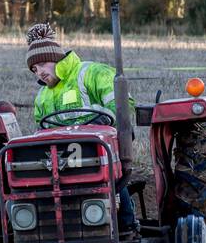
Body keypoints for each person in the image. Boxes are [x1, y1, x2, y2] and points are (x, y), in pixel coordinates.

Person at [25, 22, 139, 231]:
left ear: (56, 57)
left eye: (42, 64)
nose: (39, 72)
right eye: (34, 69)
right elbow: (40, 131)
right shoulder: (42, 96)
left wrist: (105, 118)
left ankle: (127, 228)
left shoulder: (90, 73)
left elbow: (123, 103)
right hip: (60, 162)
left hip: (97, 154)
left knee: (112, 178)